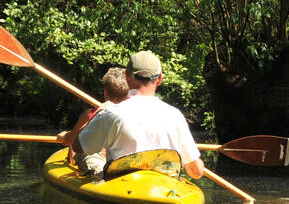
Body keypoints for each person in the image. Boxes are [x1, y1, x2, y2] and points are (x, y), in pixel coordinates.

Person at [71, 51, 204, 182]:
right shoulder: (176, 116)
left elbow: (78, 146)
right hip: (163, 187)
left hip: (122, 186)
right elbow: (196, 173)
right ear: (159, 79)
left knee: (87, 156)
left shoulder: (111, 113)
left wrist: (98, 114)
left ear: (127, 77)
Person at [56, 67, 129, 174]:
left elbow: (72, 140)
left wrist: (64, 136)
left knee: (80, 152)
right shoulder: (134, 112)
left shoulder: (91, 114)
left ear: (105, 93)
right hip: (123, 162)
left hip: (101, 161)